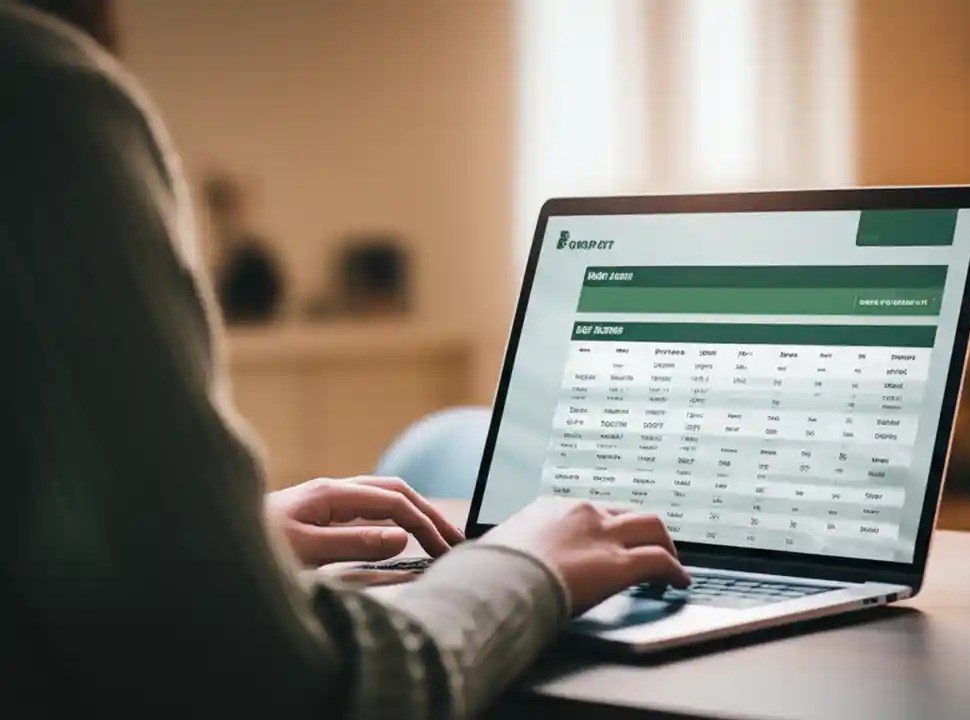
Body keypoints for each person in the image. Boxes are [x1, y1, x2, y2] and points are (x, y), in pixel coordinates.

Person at [0, 2, 689, 717]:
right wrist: (529, 568)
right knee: (439, 453)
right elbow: (300, 691)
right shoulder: (37, 94)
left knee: (434, 449)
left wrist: (214, 548)